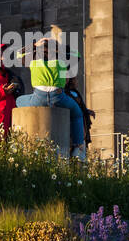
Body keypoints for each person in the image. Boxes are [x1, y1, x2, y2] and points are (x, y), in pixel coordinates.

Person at [14, 26, 86, 159]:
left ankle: (18, 137)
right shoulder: (62, 59)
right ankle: (77, 146)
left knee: (18, 101)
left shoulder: (33, 58)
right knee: (77, 114)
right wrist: (59, 46)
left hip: (38, 97)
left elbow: (18, 54)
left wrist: (34, 45)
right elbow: (77, 56)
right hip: (58, 97)